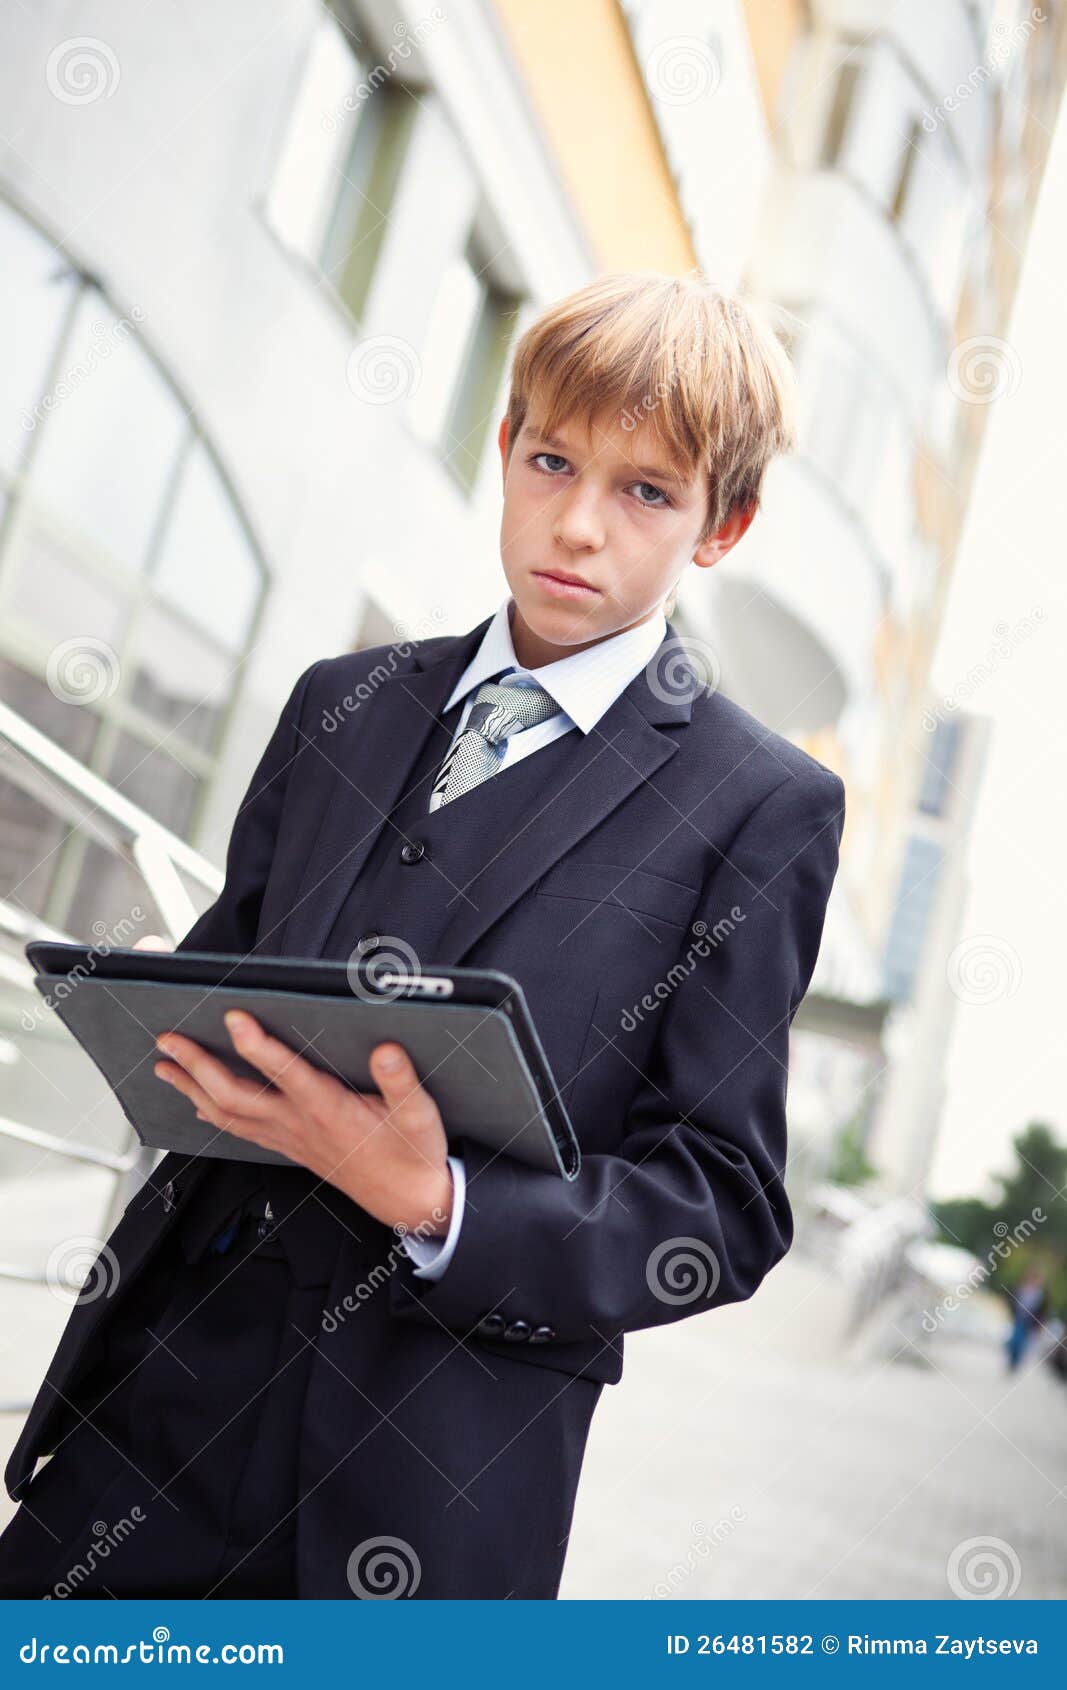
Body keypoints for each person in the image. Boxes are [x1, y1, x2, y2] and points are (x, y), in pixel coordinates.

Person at [0, 271, 845, 1599]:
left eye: (644, 491)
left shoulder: (759, 806)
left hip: (425, 1496)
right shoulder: (342, 702)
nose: (575, 524)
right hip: (152, 1420)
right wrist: (159, 1040)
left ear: (720, 526)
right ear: (501, 449)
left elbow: (721, 1205)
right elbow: (226, 983)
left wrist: (435, 1200)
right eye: (551, 459)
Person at [1004, 1269, 1048, 1373]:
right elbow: (1012, 1299)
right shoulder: (1022, 1288)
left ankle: (1015, 1363)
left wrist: (1038, 1324)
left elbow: (1043, 1311)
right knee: (1014, 1342)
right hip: (1018, 1318)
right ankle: (1012, 1360)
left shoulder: (1042, 1295)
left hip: (1029, 1323)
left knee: (1021, 1344)